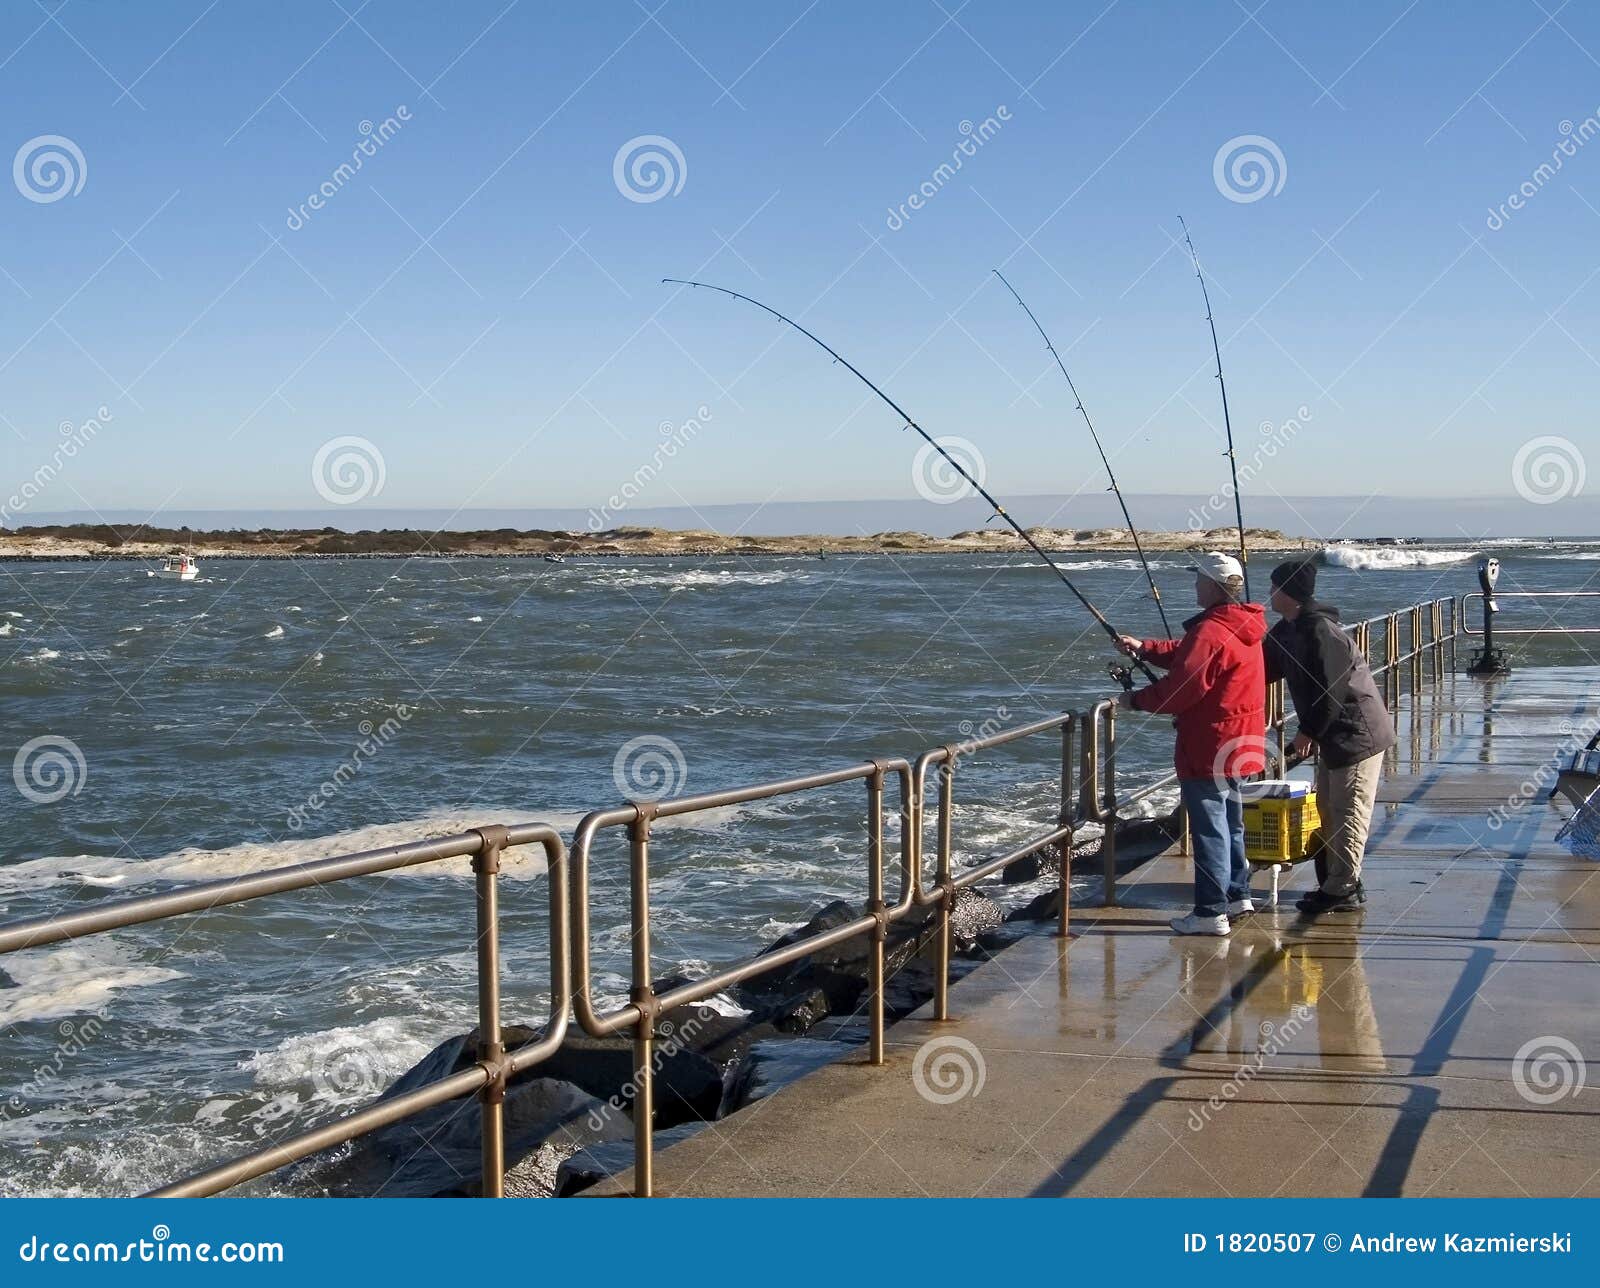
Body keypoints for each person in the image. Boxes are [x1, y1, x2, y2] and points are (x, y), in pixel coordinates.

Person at [1116, 552, 1267, 937]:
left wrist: (1134, 701)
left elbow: (1181, 688)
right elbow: (1191, 657)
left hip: (1210, 746)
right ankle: (1238, 895)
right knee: (1231, 823)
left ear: (1213, 586)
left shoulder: (1211, 631)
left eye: (1198, 579)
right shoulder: (1243, 624)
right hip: (1242, 741)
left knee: (1210, 830)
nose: (1195, 585)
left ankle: (1210, 912)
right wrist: (1144, 647)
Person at [1263, 557, 1395, 914]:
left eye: (1274, 587)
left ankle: (1343, 889)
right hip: (1332, 733)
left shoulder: (1322, 632)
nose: (1269, 593)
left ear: (1289, 593)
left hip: (1358, 733)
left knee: (1348, 809)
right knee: (1328, 807)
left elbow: (1330, 690)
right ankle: (1338, 881)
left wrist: (1308, 732)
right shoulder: (1288, 629)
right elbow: (1263, 666)